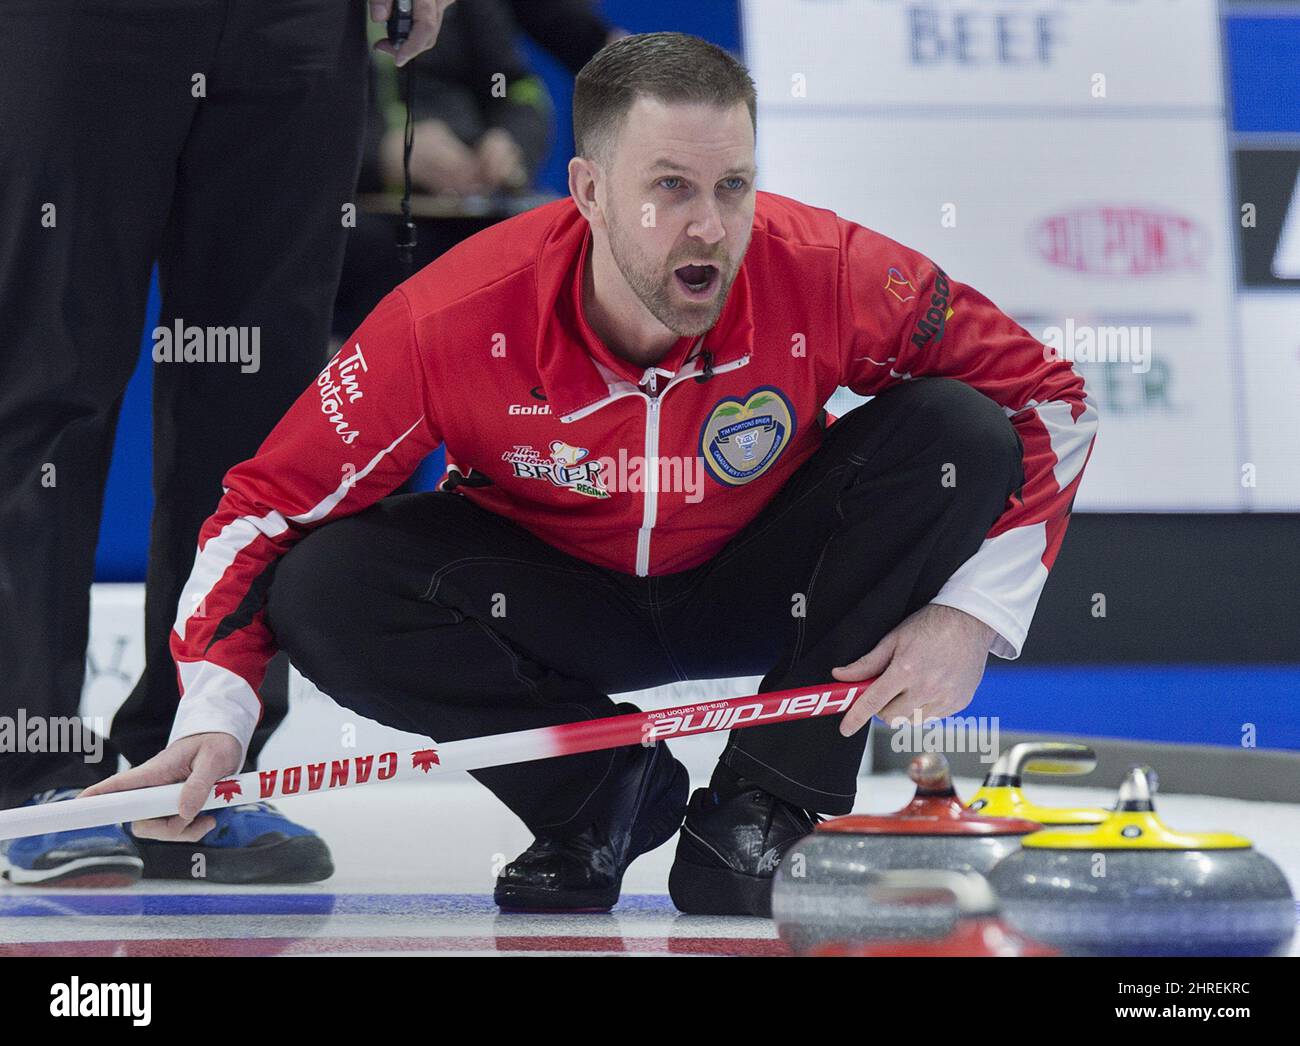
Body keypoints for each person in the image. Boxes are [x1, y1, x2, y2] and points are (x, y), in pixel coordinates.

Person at [84, 32, 1099, 917]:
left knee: (957, 429)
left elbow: (1050, 400)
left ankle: (763, 813)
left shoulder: (832, 273)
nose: (710, 225)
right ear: (586, 192)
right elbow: (264, 507)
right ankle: (596, 792)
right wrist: (217, 718)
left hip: (764, 578)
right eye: (669, 188)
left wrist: (974, 611)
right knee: (325, 582)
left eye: (732, 187)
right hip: (551, 591)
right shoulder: (454, 316)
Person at [0, 0, 453, 889]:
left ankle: (193, 768)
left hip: (295, 24)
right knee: (47, 384)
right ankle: (28, 766)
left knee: (260, 410)